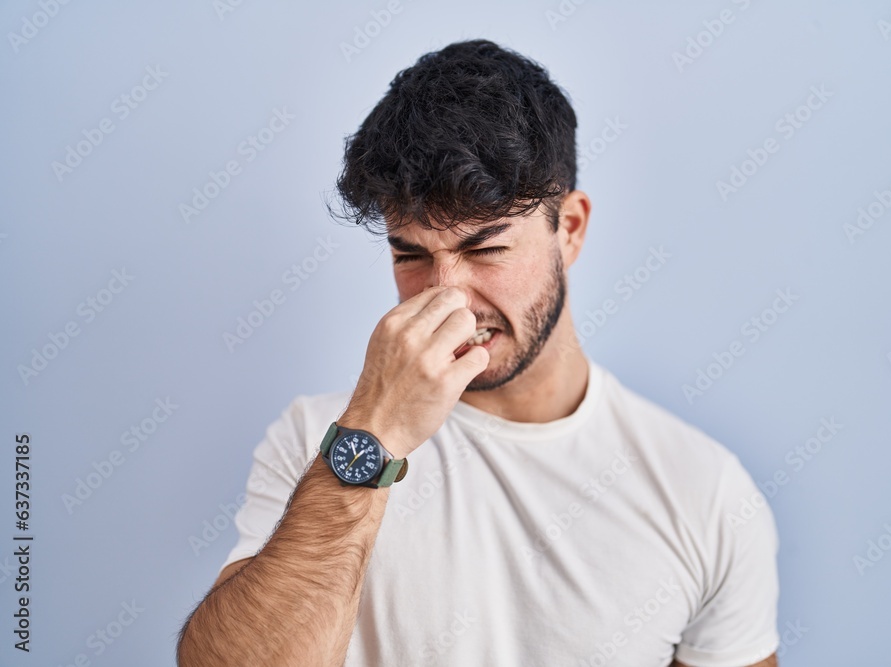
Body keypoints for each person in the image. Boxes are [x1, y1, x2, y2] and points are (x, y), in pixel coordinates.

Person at [176, 39, 780, 667]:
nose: (447, 299)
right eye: (410, 254)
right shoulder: (318, 444)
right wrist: (373, 435)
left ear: (568, 229)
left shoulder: (703, 493)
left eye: (487, 250)